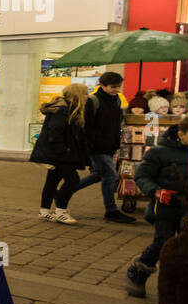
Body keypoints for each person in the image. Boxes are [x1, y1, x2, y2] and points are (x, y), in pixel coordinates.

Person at [125, 113, 188, 298]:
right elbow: (142, 176)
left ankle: (184, 284)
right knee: (164, 242)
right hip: (165, 209)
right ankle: (139, 271)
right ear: (181, 134)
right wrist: (156, 191)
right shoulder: (159, 152)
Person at [75, 72, 134, 223]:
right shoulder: (93, 101)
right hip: (96, 148)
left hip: (109, 146)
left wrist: (115, 143)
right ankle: (111, 210)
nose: (116, 89)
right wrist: (93, 144)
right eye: (113, 87)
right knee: (110, 176)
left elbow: (115, 125)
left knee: (99, 175)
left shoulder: (116, 101)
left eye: (118, 86)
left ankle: (64, 191)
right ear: (102, 85)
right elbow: (86, 126)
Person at [30, 82, 93, 225]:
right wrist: (64, 150)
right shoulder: (62, 110)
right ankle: (61, 211)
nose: (86, 97)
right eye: (84, 94)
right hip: (60, 154)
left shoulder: (66, 108)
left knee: (52, 181)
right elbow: (55, 133)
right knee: (73, 181)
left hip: (59, 153)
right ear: (77, 95)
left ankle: (44, 211)